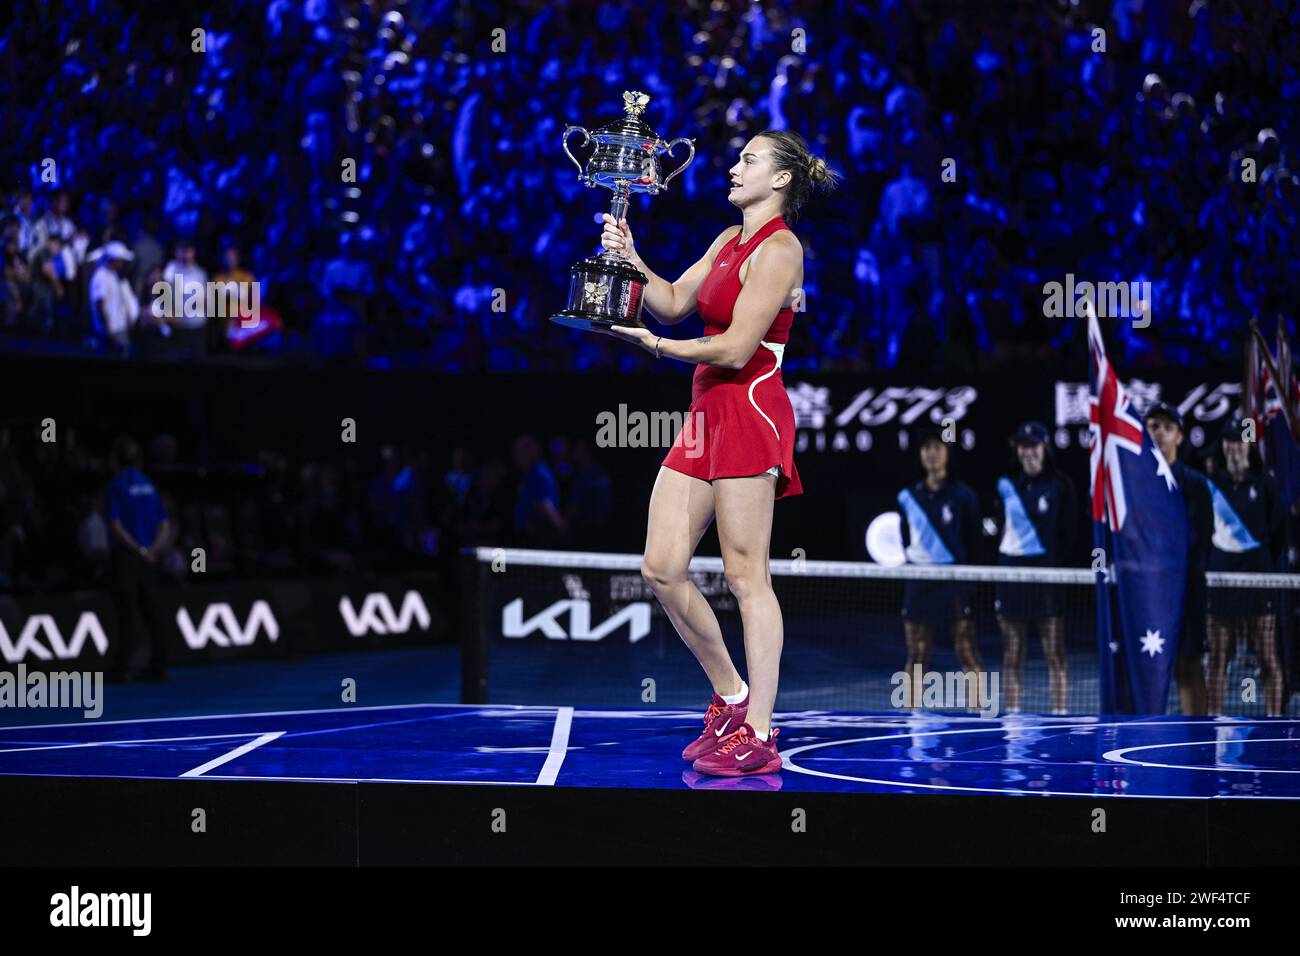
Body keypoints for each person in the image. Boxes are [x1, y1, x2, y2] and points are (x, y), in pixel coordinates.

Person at [601, 129, 839, 776]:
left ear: (782, 179)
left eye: (750, 160)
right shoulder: (725, 240)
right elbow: (676, 302)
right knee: (661, 566)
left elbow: (735, 349)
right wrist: (631, 259)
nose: (734, 168)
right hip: (705, 414)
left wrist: (653, 347)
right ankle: (731, 697)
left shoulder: (782, 248)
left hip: (749, 411)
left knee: (744, 576)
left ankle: (759, 732)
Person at [896, 429, 985, 710]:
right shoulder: (908, 496)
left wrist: (972, 583)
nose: (931, 453)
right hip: (919, 582)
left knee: (966, 650)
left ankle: (980, 714)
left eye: (937, 447)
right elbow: (903, 540)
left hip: (954, 582)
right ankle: (912, 718)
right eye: (926, 448)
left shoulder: (964, 496)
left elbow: (975, 542)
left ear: (948, 453)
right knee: (917, 654)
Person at [992, 421, 1078, 714]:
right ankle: (1013, 717)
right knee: (1012, 653)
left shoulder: (1060, 485)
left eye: (1033, 446)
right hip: (1011, 575)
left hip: (1046, 577)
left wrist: (1052, 565)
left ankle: (1060, 715)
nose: (1027, 452)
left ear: (1045, 448)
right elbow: (996, 527)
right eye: (1022, 446)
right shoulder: (1005, 484)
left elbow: (1070, 532)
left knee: (1055, 653)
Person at [1205, 415, 1287, 715]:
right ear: (1223, 446)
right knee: (1218, 658)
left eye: (1241, 440)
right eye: (1229, 441)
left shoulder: (1266, 485)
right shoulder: (1211, 485)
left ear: (1250, 445)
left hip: (1258, 583)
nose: (1235, 447)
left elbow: (1278, 533)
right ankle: (1212, 723)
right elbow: (1203, 532)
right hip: (1221, 584)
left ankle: (1275, 719)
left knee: (1267, 656)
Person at [1143, 402, 1211, 715]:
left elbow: (1198, 544)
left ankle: (1196, 743)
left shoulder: (1195, 485)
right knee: (1146, 673)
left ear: (1180, 438)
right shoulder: (1132, 485)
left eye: (1167, 427)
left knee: (1189, 668)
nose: (1159, 433)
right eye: (1153, 426)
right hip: (1144, 596)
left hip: (1184, 594)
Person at [104, 435, 171, 681]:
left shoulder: (116, 485)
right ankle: (158, 665)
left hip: (127, 557)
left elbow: (115, 524)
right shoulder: (150, 485)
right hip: (149, 558)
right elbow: (165, 523)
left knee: (127, 612)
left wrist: (138, 550)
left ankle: (123, 668)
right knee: (153, 610)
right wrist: (153, 549)